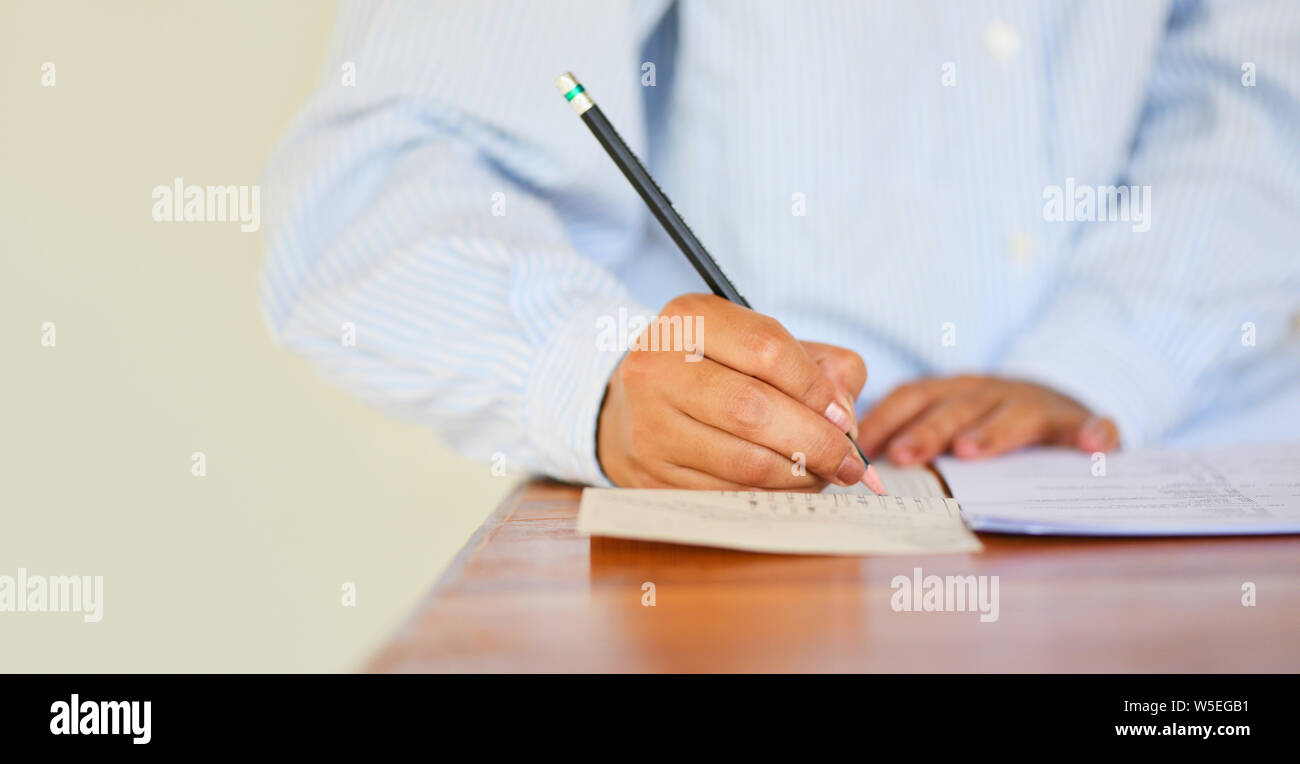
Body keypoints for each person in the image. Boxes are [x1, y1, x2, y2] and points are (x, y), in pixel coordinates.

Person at [260, 0, 1300, 490]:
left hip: (1186, 465)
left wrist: (1105, 358)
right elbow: (381, 177)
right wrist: (595, 372)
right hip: (750, 518)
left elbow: (1259, 97)